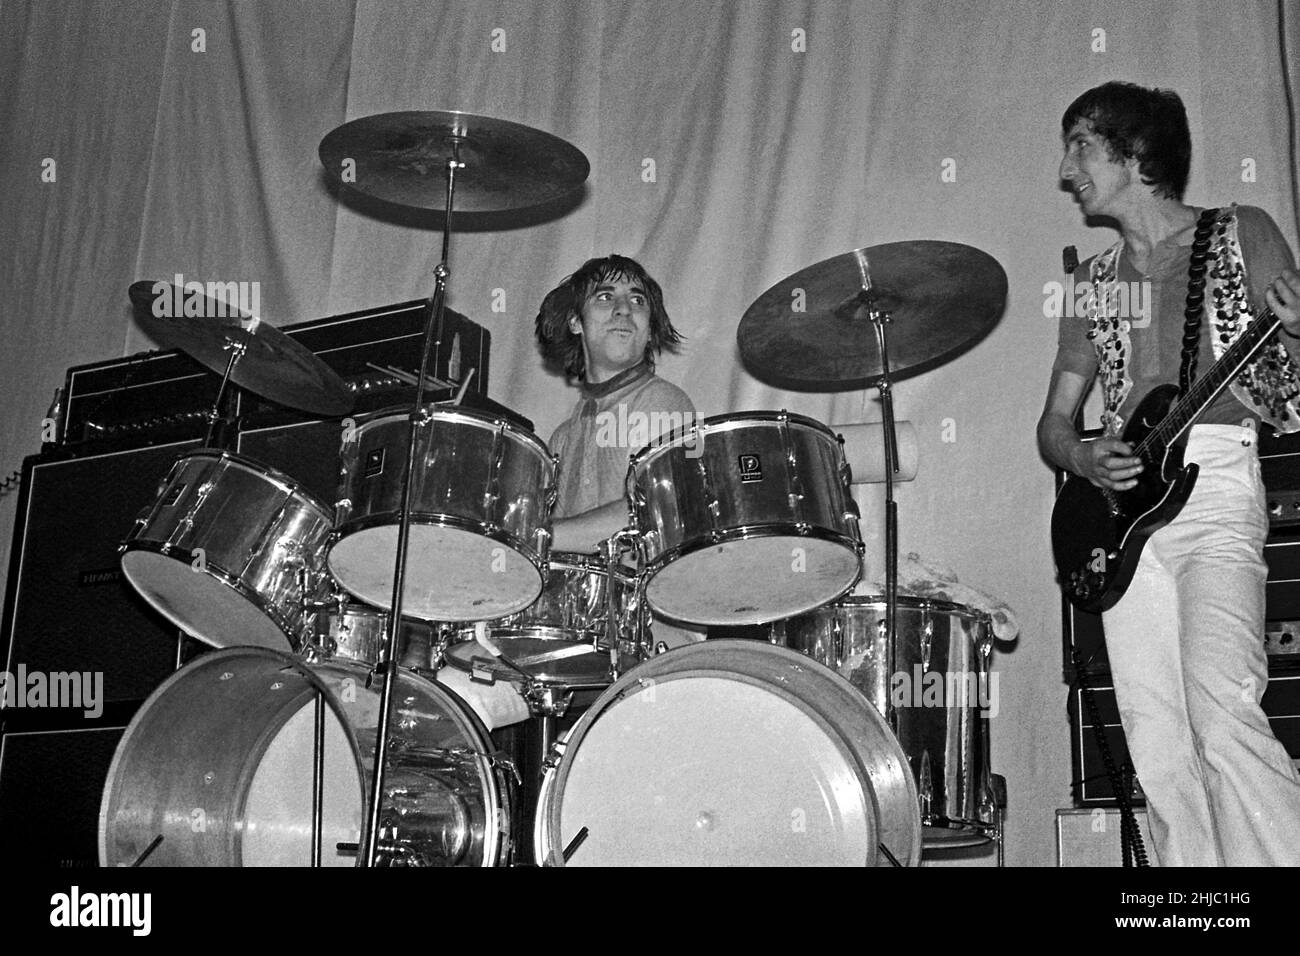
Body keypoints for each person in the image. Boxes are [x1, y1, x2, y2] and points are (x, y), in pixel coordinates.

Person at [1038, 80, 1300, 865]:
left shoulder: (1243, 233)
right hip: (1125, 520)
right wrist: (1082, 454)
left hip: (1216, 485)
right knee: (1156, 740)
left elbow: (1292, 380)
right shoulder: (1091, 283)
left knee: (1222, 711)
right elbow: (1053, 425)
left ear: (1135, 152)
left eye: (1082, 144)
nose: (1065, 168)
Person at [535, 254, 701, 647]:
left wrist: (537, 534)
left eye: (638, 300)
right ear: (575, 322)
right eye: (606, 297)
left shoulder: (666, 402)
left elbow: (653, 511)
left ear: (648, 330)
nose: (625, 309)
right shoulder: (563, 436)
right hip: (576, 624)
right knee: (458, 679)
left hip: (654, 629)